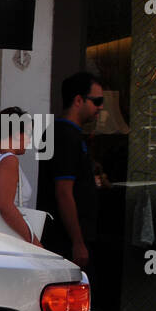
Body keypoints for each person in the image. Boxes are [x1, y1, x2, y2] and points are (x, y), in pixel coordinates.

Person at [38, 72, 102, 268]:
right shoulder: (63, 135)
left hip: (69, 239)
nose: (100, 107)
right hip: (64, 242)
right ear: (78, 100)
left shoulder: (68, 134)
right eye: (97, 101)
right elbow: (64, 192)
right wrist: (77, 242)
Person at [0, 106, 41, 246]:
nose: (29, 139)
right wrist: (34, 242)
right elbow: (6, 206)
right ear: (16, 134)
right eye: (28, 133)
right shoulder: (9, 160)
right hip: (8, 240)